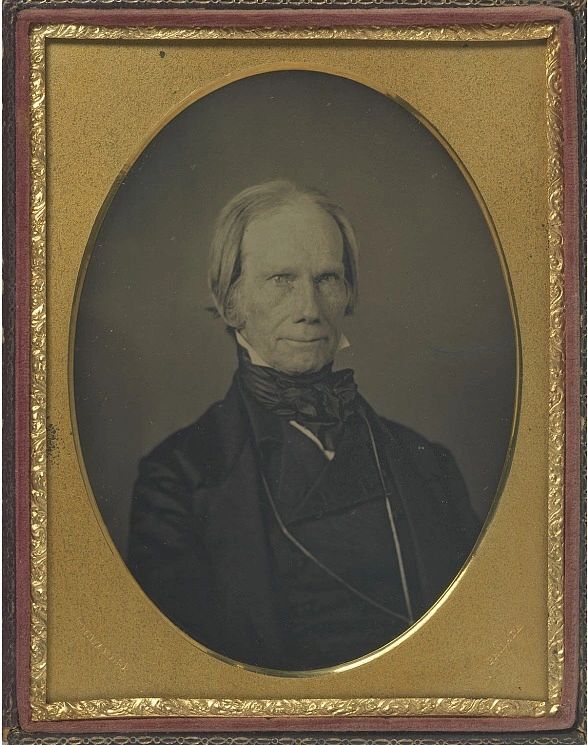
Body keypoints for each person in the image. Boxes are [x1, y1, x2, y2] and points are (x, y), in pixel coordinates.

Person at [127, 180, 480, 671]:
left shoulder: (427, 465)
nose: (310, 310)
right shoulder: (178, 481)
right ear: (230, 302)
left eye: (327, 279)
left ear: (348, 294)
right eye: (281, 280)